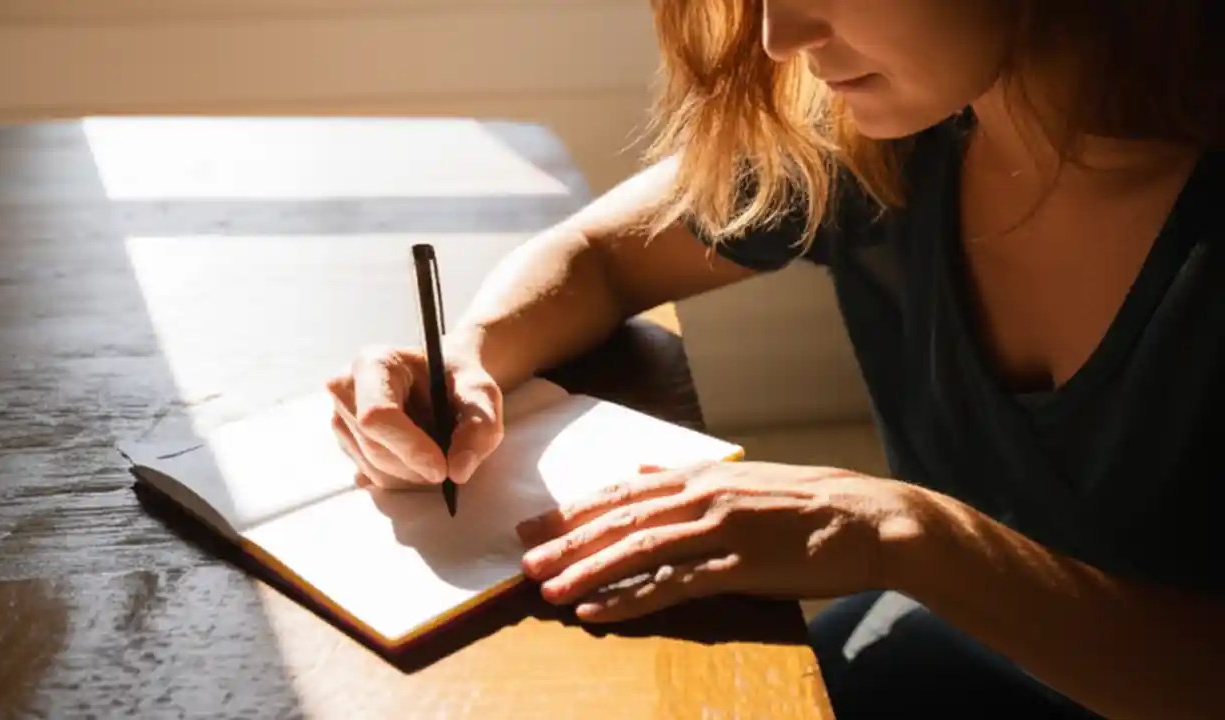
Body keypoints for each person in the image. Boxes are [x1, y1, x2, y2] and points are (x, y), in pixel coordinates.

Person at [326, 1, 1223, 717]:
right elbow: (602, 256)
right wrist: (469, 359)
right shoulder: (881, 145)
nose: (778, 35)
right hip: (946, 647)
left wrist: (903, 532)